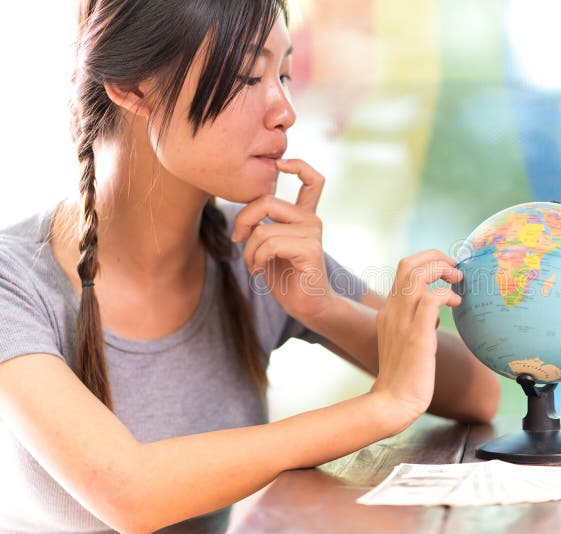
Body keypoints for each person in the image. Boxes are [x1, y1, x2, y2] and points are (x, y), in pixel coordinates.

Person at [0, 1, 500, 532]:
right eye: (247, 75)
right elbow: (128, 492)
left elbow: (477, 393)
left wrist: (326, 309)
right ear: (131, 86)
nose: (285, 110)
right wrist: (383, 406)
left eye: (283, 74)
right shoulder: (15, 280)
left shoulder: (253, 249)